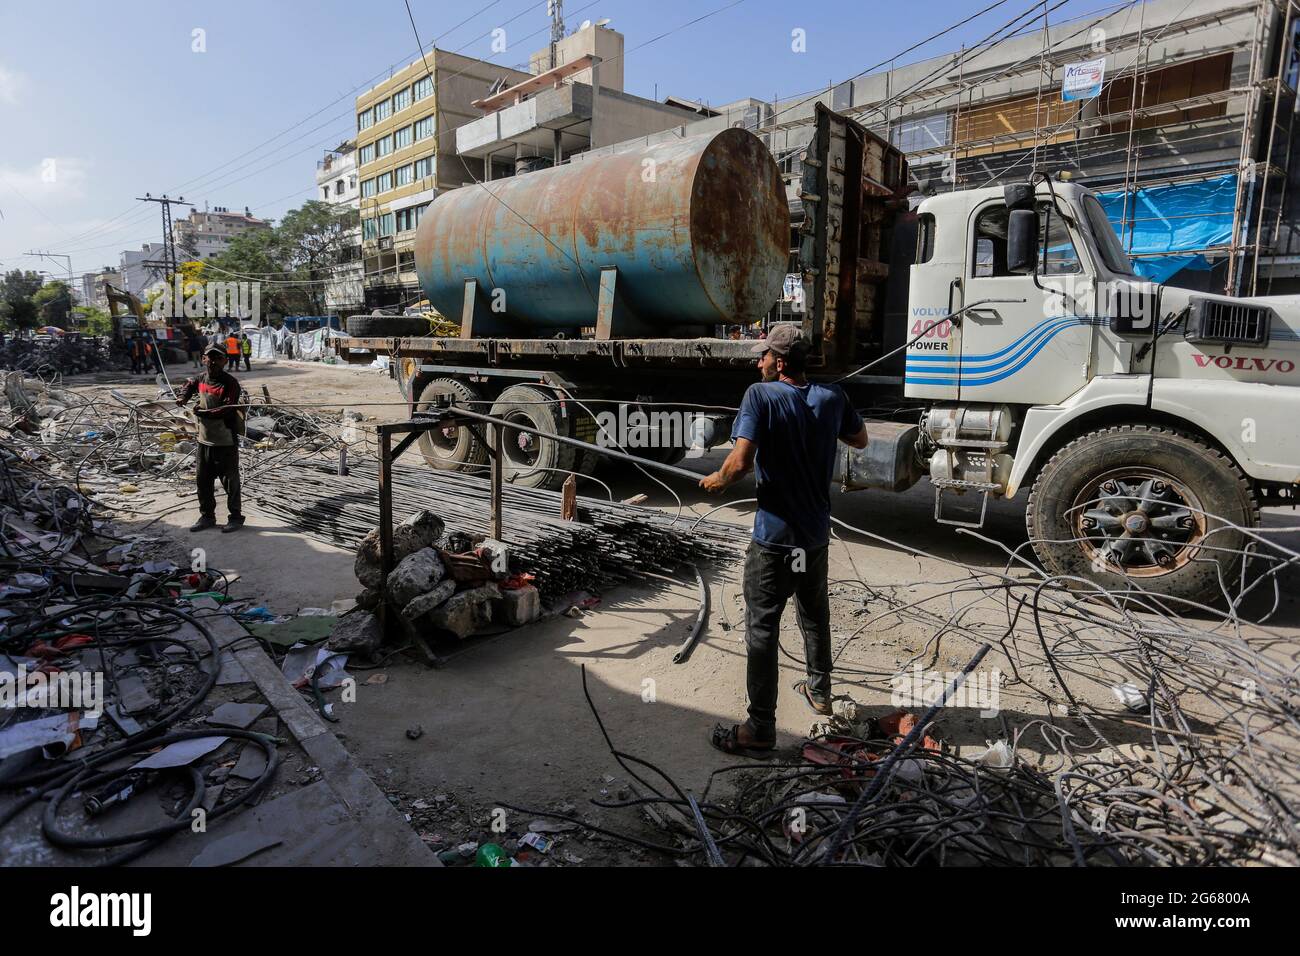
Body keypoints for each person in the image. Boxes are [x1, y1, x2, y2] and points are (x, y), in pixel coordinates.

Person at [699, 323, 868, 758]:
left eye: (764, 356)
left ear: (781, 361)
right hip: (812, 540)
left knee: (761, 626)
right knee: (814, 613)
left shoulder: (760, 396)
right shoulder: (833, 397)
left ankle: (759, 728)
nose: (759, 362)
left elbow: (738, 462)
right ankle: (820, 691)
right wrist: (824, 417)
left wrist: (717, 479)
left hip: (774, 541)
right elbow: (860, 439)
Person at [176, 346, 245, 533]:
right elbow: (188, 385)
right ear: (203, 359)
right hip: (204, 440)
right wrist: (183, 397)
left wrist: (203, 413)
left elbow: (227, 408)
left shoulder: (230, 383)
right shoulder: (200, 379)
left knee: (230, 482)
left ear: (225, 361)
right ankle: (207, 516)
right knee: (202, 481)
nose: (213, 362)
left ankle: (236, 518)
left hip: (225, 441)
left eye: (218, 358)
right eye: (209, 358)